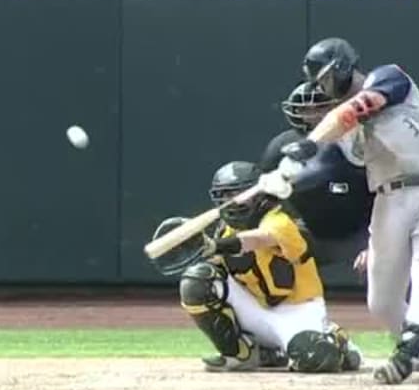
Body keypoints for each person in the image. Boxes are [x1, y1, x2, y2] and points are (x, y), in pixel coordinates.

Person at [260, 37, 419, 384]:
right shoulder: (345, 134)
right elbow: (327, 167)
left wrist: (310, 142)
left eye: (323, 79)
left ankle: (408, 350)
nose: (323, 87)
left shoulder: (389, 78)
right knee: (380, 302)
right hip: (389, 197)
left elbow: (354, 110)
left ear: (340, 67)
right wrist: (285, 175)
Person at [152, 160, 362, 374]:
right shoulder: (224, 231)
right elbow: (215, 273)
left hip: (298, 312)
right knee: (198, 280)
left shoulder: (280, 220)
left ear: (259, 196)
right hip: (254, 309)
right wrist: (203, 251)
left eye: (237, 195)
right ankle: (240, 353)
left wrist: (215, 246)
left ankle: (334, 338)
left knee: (315, 359)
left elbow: (260, 239)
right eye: (224, 196)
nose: (230, 202)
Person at [261, 81, 373, 271]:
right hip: (304, 231)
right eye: (306, 109)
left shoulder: (356, 142)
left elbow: (381, 197)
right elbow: (264, 203)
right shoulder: (281, 145)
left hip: (357, 233)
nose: (313, 115)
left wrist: (374, 244)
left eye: (321, 106)